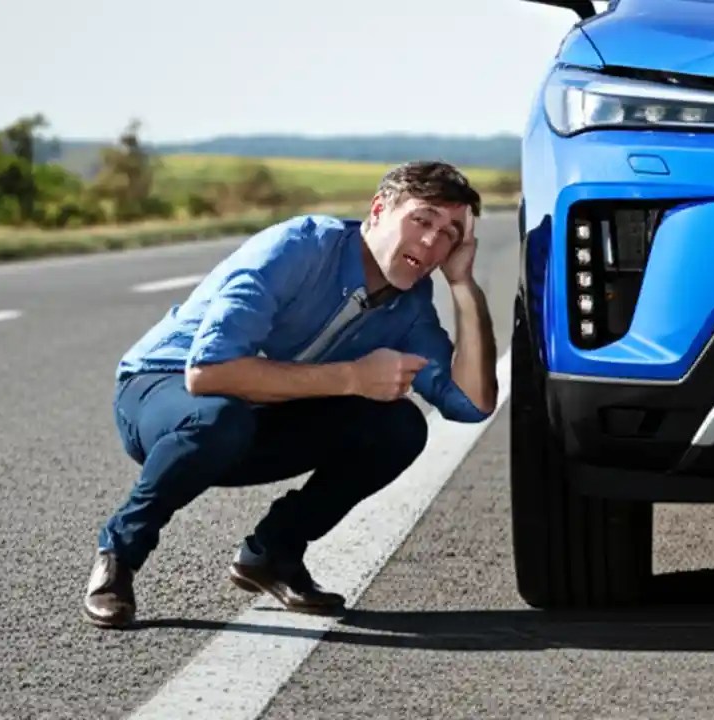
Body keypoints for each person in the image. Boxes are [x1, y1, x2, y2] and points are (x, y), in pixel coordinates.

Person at [83, 160, 498, 629]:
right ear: (379, 209)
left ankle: (272, 553)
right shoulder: (299, 248)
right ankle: (119, 554)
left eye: (449, 234)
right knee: (220, 416)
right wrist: (352, 379)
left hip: (259, 419)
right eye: (422, 220)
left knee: (399, 427)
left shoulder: (411, 306)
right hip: (163, 393)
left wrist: (464, 285)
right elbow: (208, 373)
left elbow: (470, 404)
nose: (431, 243)